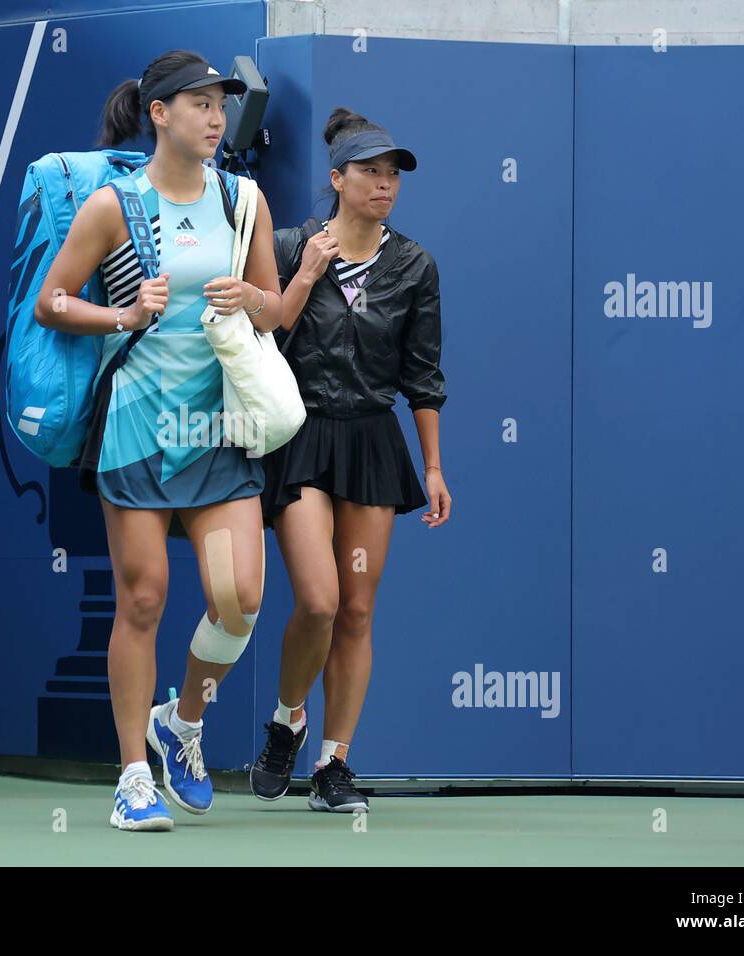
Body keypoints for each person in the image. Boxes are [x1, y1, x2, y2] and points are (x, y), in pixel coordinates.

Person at [34, 50, 283, 831]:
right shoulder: (114, 206)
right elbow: (52, 301)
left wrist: (252, 297)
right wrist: (123, 317)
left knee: (239, 600)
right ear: (160, 113)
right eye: (200, 104)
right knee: (143, 599)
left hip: (217, 428)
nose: (216, 118)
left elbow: (276, 312)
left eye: (222, 106)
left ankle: (182, 721)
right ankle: (133, 776)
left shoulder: (244, 201)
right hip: (139, 424)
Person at [249, 107, 451, 813]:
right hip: (301, 438)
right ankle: (286, 720)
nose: (384, 184)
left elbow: (423, 375)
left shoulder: (414, 265)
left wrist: (431, 467)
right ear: (337, 178)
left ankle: (332, 764)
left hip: (372, 444)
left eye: (393, 174)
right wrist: (304, 273)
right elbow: (259, 334)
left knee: (357, 610)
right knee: (319, 600)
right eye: (370, 171)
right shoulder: (284, 244)